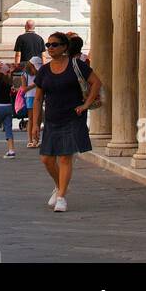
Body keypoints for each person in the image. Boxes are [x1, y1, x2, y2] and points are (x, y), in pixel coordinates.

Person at [30, 31, 101, 212]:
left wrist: (86, 104)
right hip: (52, 119)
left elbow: (96, 82)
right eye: (48, 45)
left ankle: (61, 197)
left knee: (64, 157)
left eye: (54, 45)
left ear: (64, 47)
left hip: (72, 117)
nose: (50, 48)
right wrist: (35, 124)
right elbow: (38, 99)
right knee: (46, 158)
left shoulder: (76, 65)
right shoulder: (44, 70)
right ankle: (60, 185)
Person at [22, 52, 43, 147]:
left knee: (38, 118)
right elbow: (24, 89)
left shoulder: (40, 73)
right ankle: (30, 139)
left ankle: (36, 140)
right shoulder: (25, 74)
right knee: (31, 118)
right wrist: (36, 83)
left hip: (39, 96)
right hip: (30, 96)